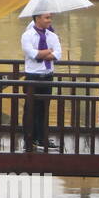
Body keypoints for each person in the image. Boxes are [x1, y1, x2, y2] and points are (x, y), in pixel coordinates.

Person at [20, 12, 61, 150]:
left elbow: (57, 55)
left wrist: (42, 53)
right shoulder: (27, 35)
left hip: (47, 75)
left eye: (50, 17)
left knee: (44, 109)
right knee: (31, 109)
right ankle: (29, 139)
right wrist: (48, 51)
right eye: (47, 18)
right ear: (37, 19)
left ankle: (42, 139)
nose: (50, 20)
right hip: (33, 76)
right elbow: (32, 54)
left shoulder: (53, 36)